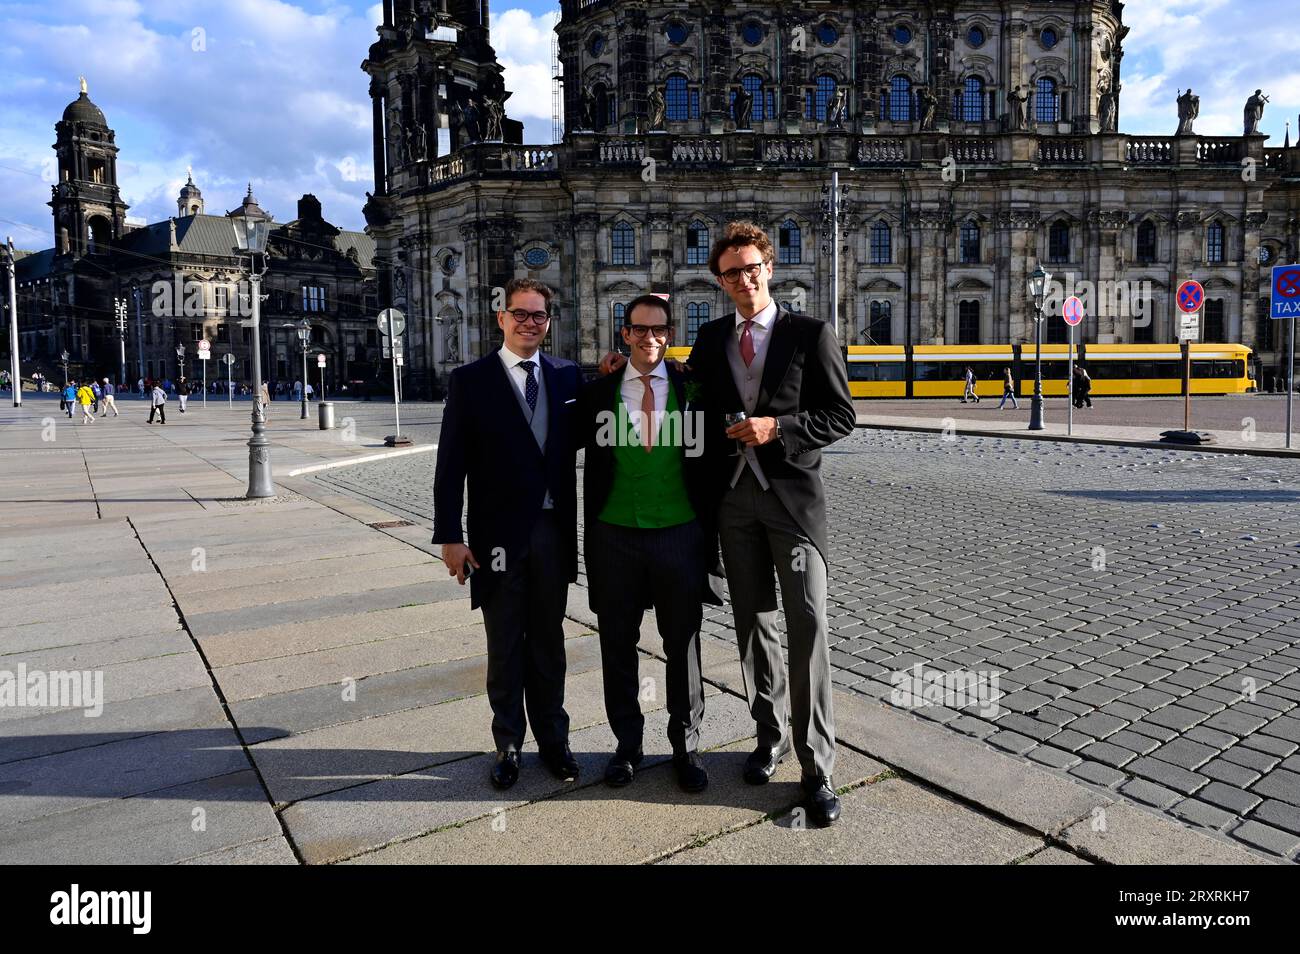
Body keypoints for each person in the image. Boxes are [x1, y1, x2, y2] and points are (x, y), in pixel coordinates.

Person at [606, 222, 856, 825]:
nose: (743, 280)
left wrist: (779, 428)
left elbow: (841, 415)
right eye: (730, 274)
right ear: (720, 282)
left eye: (751, 268)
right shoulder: (713, 336)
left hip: (792, 503)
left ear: (769, 268)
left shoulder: (811, 334)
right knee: (753, 626)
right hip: (732, 504)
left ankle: (817, 766)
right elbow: (687, 390)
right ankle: (769, 737)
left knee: (808, 624)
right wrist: (624, 368)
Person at [433, 277, 583, 791]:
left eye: (538, 315)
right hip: (494, 538)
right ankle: (509, 744)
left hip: (552, 533)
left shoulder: (566, 376)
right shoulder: (470, 380)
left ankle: (555, 741)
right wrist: (450, 536)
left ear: (548, 322)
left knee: (549, 643)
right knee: (504, 645)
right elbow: (450, 466)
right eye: (520, 313)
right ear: (501, 318)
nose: (529, 323)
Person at [581, 294, 723, 793]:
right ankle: (628, 745)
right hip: (612, 535)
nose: (650, 338)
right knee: (617, 643)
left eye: (659, 329)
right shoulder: (599, 392)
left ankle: (686, 745)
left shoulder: (693, 388)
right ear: (625, 334)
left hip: (679, 534)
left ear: (669, 334)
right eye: (640, 329)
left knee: (683, 644)